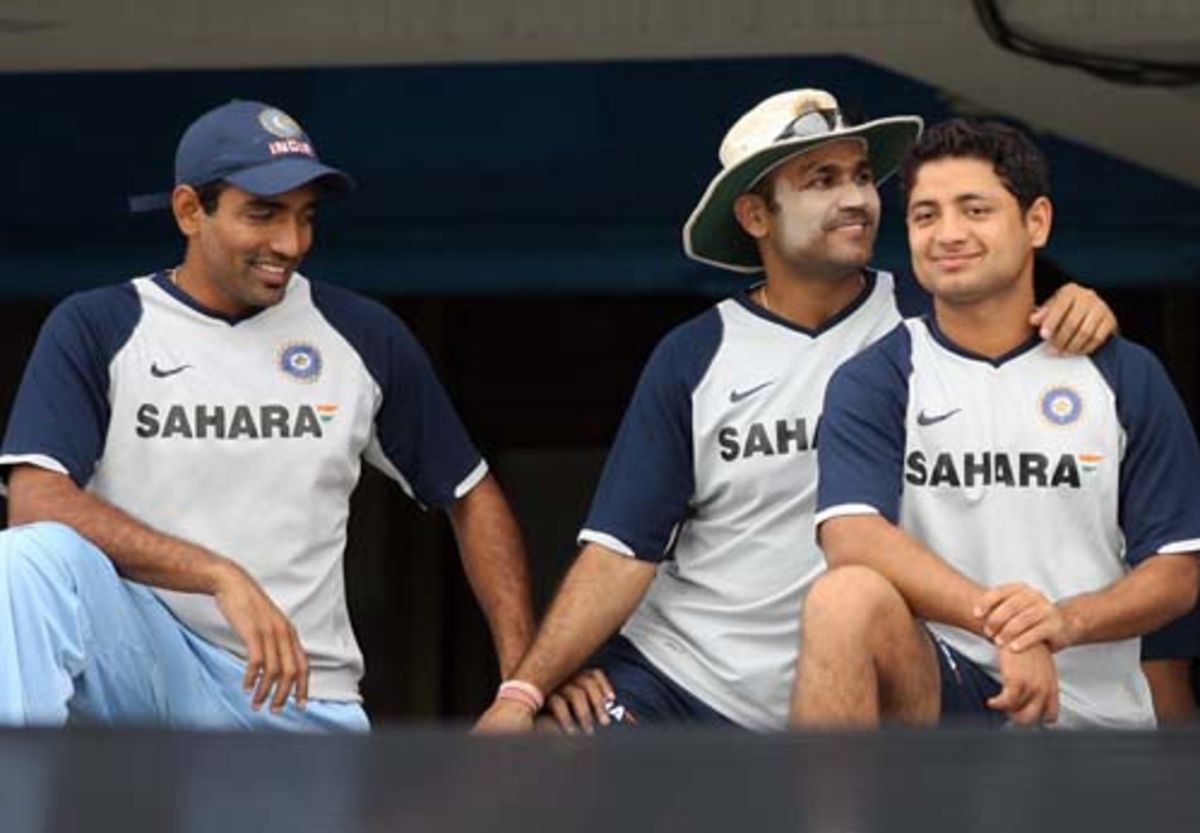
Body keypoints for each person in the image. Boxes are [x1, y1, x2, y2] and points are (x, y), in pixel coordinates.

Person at [475, 89, 1116, 733]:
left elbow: (1023, 320)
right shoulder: (695, 353)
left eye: (863, 177)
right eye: (823, 180)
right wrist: (524, 692)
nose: (857, 199)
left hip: (871, 674)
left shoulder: (932, 320)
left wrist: (1076, 303)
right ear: (755, 214)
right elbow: (621, 551)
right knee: (532, 761)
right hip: (681, 674)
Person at [0, 100, 534, 730]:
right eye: (264, 213)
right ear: (189, 211)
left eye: (305, 218)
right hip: (148, 664)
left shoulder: (361, 334)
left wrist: (522, 685)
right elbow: (36, 502)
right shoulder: (100, 324)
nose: (291, 243)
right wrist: (217, 575)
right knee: (26, 560)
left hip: (296, 695)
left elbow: (470, 494)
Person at [790, 118, 1200, 729]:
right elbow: (852, 537)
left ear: (1036, 222)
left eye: (975, 209)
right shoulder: (877, 376)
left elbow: (1176, 571)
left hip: (1089, 715)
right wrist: (1007, 624)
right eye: (926, 216)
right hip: (948, 692)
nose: (948, 233)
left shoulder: (1124, 373)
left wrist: (1061, 622)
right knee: (842, 597)